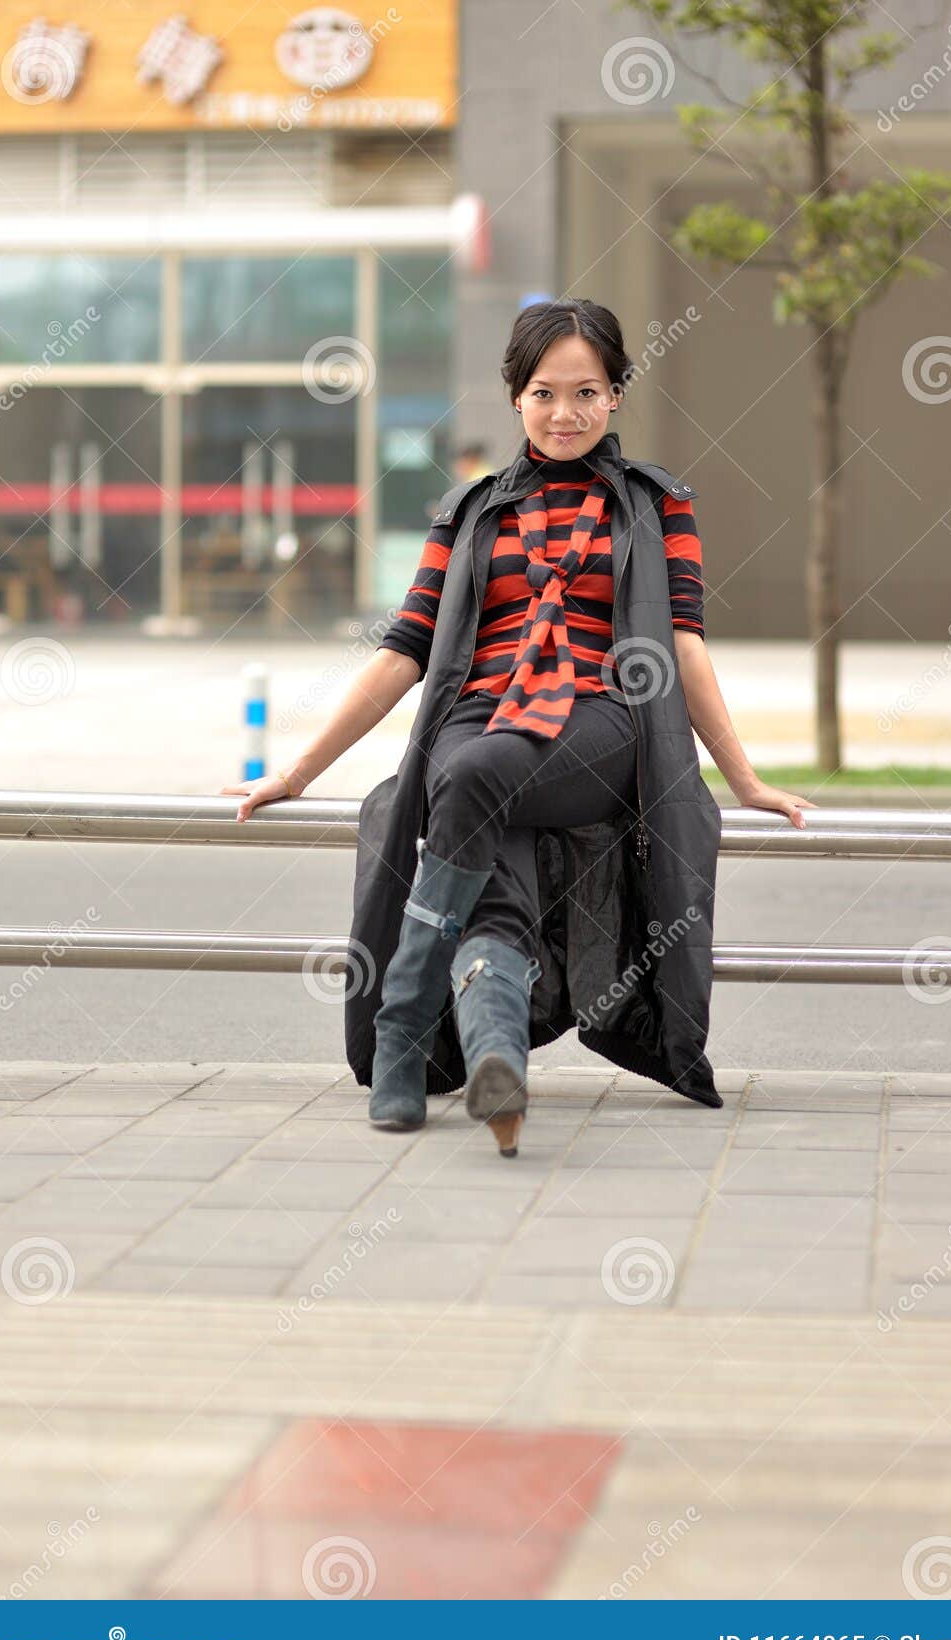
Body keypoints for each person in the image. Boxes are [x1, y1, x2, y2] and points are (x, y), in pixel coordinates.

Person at [222, 297, 816, 1158]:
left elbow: (681, 644)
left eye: (585, 392)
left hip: (601, 723)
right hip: (478, 718)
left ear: (615, 396)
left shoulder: (656, 506)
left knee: (470, 778)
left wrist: (743, 775)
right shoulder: (466, 512)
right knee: (482, 837)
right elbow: (403, 653)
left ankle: (402, 1028)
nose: (564, 412)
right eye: (544, 392)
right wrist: (297, 771)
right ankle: (496, 1058)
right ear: (515, 398)